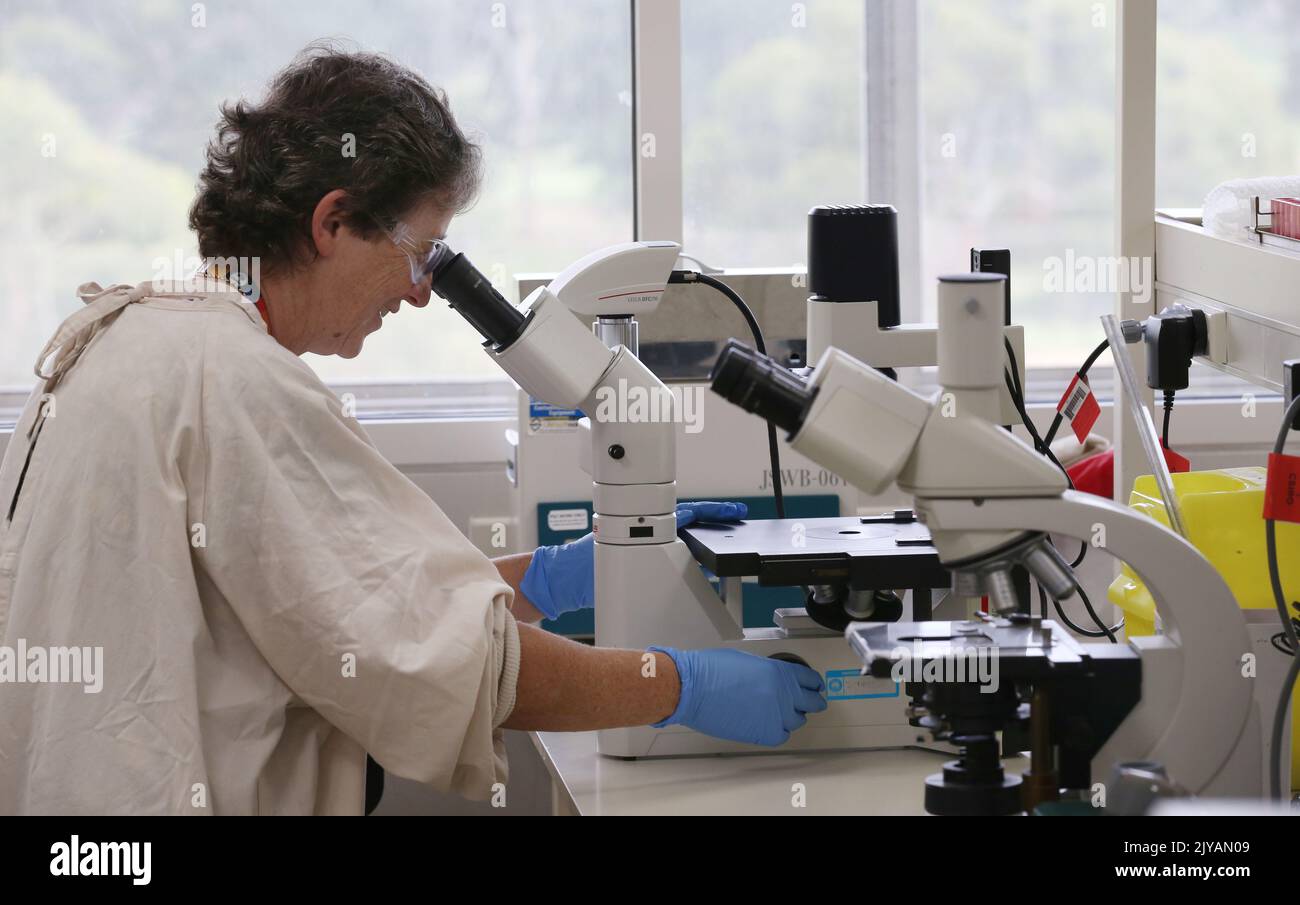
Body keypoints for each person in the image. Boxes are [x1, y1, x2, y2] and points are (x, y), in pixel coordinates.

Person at [0, 46, 825, 816]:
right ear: (332, 222)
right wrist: (678, 682)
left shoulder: (127, 338)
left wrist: (540, 579)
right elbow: (448, 664)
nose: (423, 292)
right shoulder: (234, 379)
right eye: (420, 252)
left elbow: (313, 600)